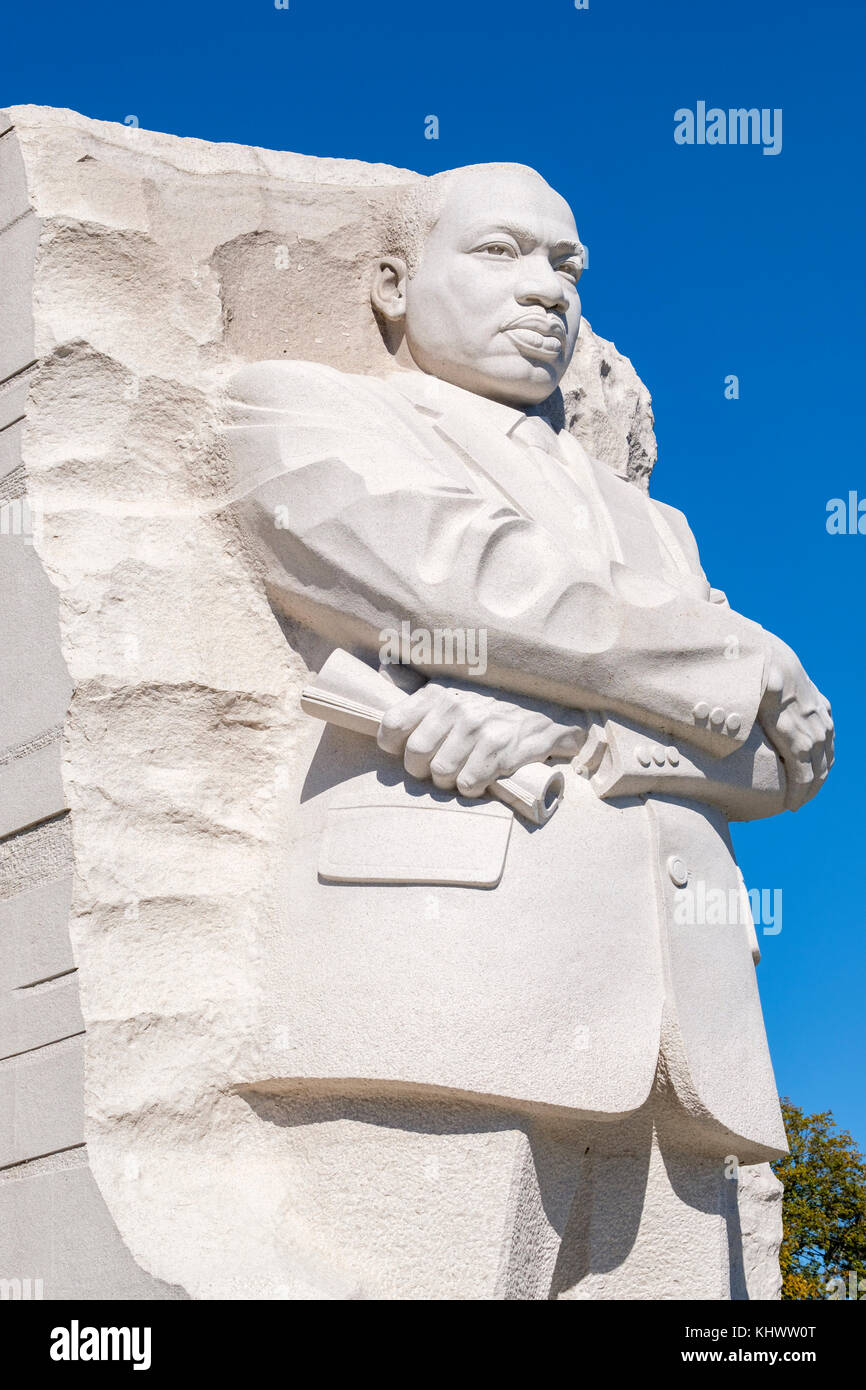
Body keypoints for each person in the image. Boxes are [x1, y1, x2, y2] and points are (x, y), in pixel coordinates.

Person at [224, 163, 833, 1299]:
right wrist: (735, 653)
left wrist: (576, 730)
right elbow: (464, 587)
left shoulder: (659, 526)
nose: (545, 291)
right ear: (395, 285)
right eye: (499, 253)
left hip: (687, 1044)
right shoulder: (300, 408)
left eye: (565, 266)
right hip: (446, 986)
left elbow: (784, 759)